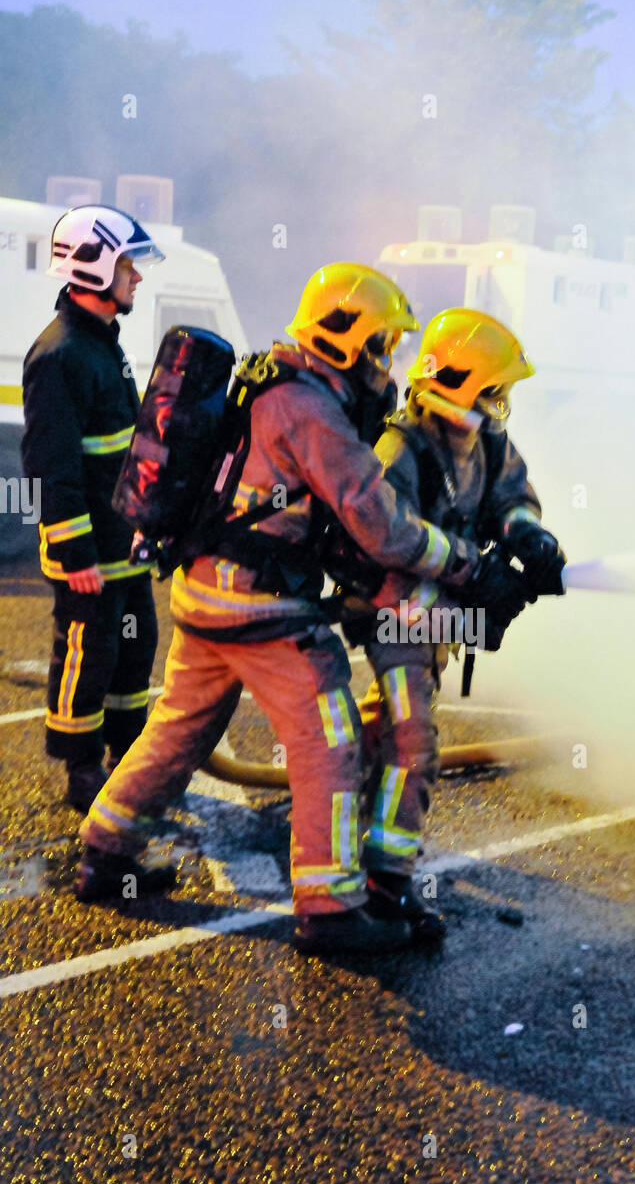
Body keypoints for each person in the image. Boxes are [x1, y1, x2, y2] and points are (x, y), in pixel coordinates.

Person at [76, 266, 524, 955]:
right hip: (257, 606)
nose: (387, 364)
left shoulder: (278, 382)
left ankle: (105, 849)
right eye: (380, 346)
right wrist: (469, 568)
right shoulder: (309, 411)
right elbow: (382, 527)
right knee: (330, 743)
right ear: (344, 339)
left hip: (204, 590)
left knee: (178, 729)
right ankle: (331, 908)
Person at [353, 309, 567, 939]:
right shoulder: (402, 450)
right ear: (457, 380)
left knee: (384, 724)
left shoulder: (486, 441)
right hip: (396, 619)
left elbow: (510, 497)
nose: (501, 402)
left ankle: (335, 796)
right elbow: (386, 565)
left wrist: (530, 536)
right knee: (415, 741)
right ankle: (385, 879)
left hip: (437, 610)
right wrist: (471, 611)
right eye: (493, 389)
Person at [21, 205, 165, 812]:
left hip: (122, 543)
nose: (137, 278)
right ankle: (83, 773)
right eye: (129, 265)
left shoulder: (103, 344)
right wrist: (77, 552)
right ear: (98, 265)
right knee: (87, 654)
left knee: (135, 648)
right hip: (91, 553)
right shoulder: (58, 355)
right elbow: (53, 468)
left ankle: (126, 758)